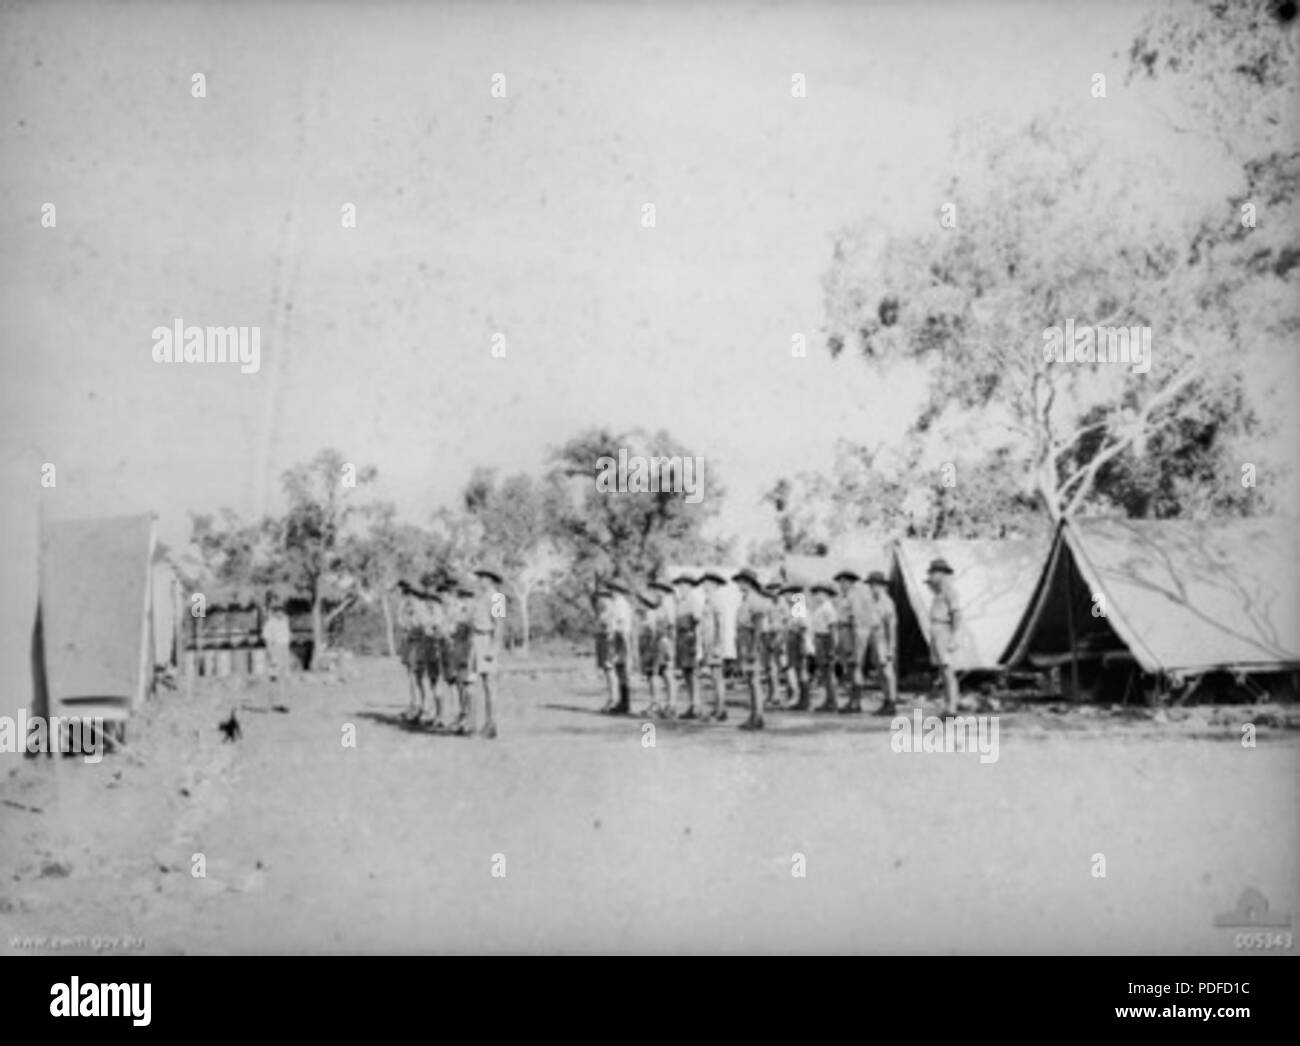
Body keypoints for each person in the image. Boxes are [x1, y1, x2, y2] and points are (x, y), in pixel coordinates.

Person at [468, 566, 506, 738]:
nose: (480, 580)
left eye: (483, 577)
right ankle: (475, 724)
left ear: (490, 579)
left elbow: (499, 624)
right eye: (479, 577)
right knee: (474, 684)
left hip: (487, 639)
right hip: (475, 640)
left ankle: (491, 725)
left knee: (490, 685)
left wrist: (493, 648)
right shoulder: (480, 597)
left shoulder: (497, 597)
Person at [834, 568, 875, 714]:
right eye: (840, 582)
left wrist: (855, 641)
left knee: (855, 666)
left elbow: (856, 619)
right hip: (844, 631)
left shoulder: (854, 597)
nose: (842, 584)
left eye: (845, 581)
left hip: (852, 632)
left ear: (851, 583)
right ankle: (852, 700)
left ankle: (856, 701)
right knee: (850, 668)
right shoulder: (843, 597)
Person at [925, 557, 962, 715]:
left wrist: (954, 636)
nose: (932, 576)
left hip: (944, 628)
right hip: (936, 628)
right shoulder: (938, 594)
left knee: (948, 670)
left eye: (934, 572)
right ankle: (948, 706)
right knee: (942, 670)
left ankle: (952, 708)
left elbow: (956, 614)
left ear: (941, 574)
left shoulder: (949, 591)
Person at [732, 568, 766, 730]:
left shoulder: (755, 600)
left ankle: (757, 716)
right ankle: (753, 715)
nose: (739, 584)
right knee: (750, 680)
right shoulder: (745, 600)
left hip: (750, 639)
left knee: (754, 680)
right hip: (744, 638)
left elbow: (758, 625)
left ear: (749, 583)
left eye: (742, 581)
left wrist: (754, 647)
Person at [865, 571, 899, 715]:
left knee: (887, 671)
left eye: (876, 585)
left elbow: (891, 625)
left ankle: (891, 701)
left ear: (882, 586)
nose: (873, 588)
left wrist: (891, 647)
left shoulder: (887, 602)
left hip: (884, 636)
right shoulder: (873, 601)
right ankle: (886, 700)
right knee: (880, 671)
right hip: (875, 635)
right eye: (871, 585)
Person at [698, 571, 728, 721]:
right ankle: (718, 708)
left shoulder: (717, 600)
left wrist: (718, 645)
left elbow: (721, 625)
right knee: (714, 678)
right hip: (708, 643)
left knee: (717, 678)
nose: (704, 586)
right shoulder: (708, 601)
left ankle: (720, 710)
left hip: (714, 644)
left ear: (715, 585)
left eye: (707, 583)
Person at [672, 573, 702, 719]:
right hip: (681, 638)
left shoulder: (693, 600)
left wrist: (695, 642)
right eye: (680, 585)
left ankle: (696, 705)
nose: (682, 588)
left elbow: (697, 622)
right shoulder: (680, 602)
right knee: (686, 673)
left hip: (690, 637)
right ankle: (692, 704)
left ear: (690, 586)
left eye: (685, 585)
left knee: (692, 673)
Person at [603, 579, 634, 715]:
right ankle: (622, 702)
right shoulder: (615, 604)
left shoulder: (621, 604)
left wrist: (623, 643)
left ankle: (626, 703)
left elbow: (621, 624)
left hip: (621, 636)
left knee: (623, 670)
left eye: (614, 589)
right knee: (619, 670)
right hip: (616, 636)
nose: (612, 592)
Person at [648, 580, 678, 717]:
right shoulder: (658, 603)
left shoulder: (668, 603)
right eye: (655, 588)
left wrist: (670, 645)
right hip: (658, 639)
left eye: (659, 588)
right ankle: (659, 704)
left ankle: (670, 705)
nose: (656, 590)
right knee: (659, 672)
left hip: (664, 640)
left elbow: (671, 625)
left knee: (665, 673)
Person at [781, 583, 812, 710]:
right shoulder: (793, 608)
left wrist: (803, 644)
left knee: (801, 671)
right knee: (796, 670)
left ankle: (804, 700)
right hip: (793, 639)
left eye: (787, 594)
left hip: (799, 640)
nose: (785, 597)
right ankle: (800, 699)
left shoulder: (799, 607)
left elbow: (803, 627)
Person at [810, 583, 839, 712]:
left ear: (827, 595)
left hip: (825, 639)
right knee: (824, 673)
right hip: (819, 638)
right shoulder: (820, 608)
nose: (818, 596)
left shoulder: (828, 608)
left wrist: (832, 647)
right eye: (816, 593)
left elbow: (833, 628)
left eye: (821, 593)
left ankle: (832, 701)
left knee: (828, 673)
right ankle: (828, 699)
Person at [760, 581, 783, 712]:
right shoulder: (769, 603)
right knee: (769, 667)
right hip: (768, 635)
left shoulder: (796, 599)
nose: (774, 591)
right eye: (771, 589)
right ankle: (772, 693)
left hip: (779, 635)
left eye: (777, 588)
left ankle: (778, 695)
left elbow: (796, 621)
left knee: (781, 667)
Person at [262, 595, 293, 691]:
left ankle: (282, 689)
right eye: (278, 612)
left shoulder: (285, 621)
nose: (281, 614)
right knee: (274, 670)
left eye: (282, 612)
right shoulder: (271, 622)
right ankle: (272, 688)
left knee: (284, 670)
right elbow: (266, 637)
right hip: (275, 647)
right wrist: (269, 650)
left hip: (284, 647)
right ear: (275, 613)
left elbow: (287, 634)